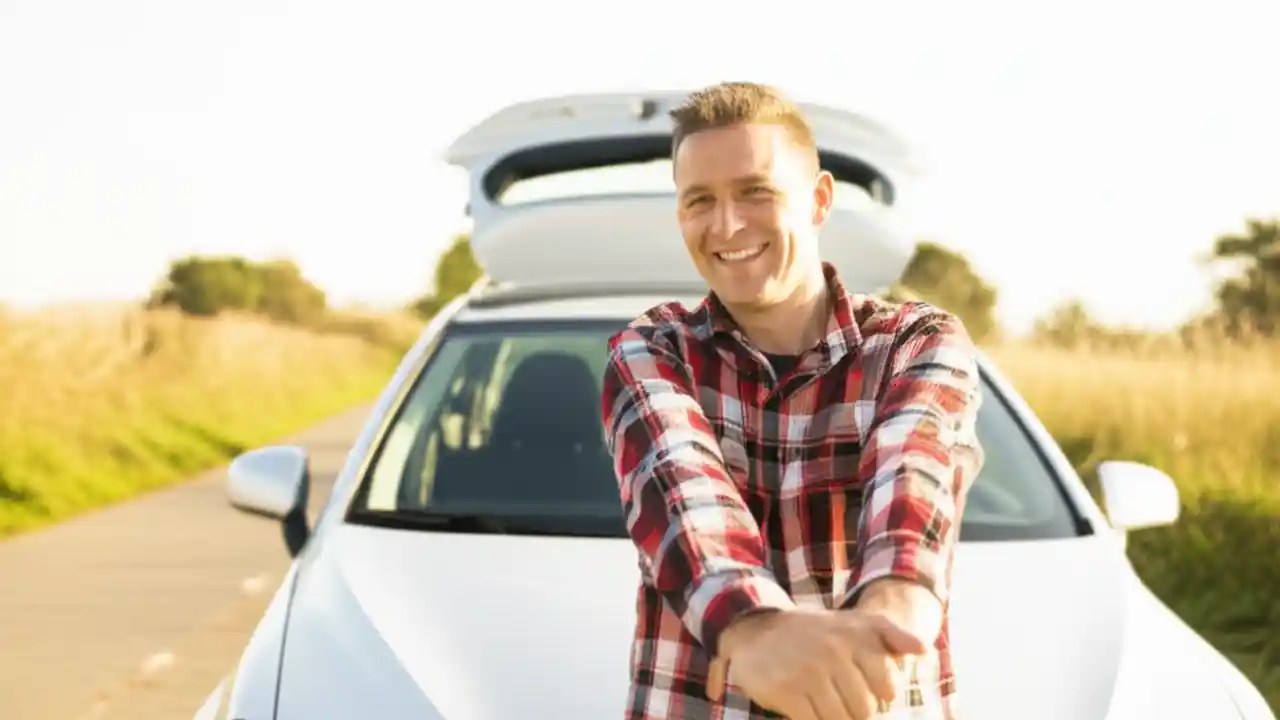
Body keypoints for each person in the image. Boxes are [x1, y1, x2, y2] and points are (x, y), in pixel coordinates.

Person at [599, 81, 985, 720]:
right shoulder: (652, 349)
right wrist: (753, 630)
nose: (727, 225)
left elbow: (914, 471)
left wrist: (895, 601)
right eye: (701, 201)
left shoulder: (915, 343)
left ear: (818, 199)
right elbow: (681, 491)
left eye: (756, 191)